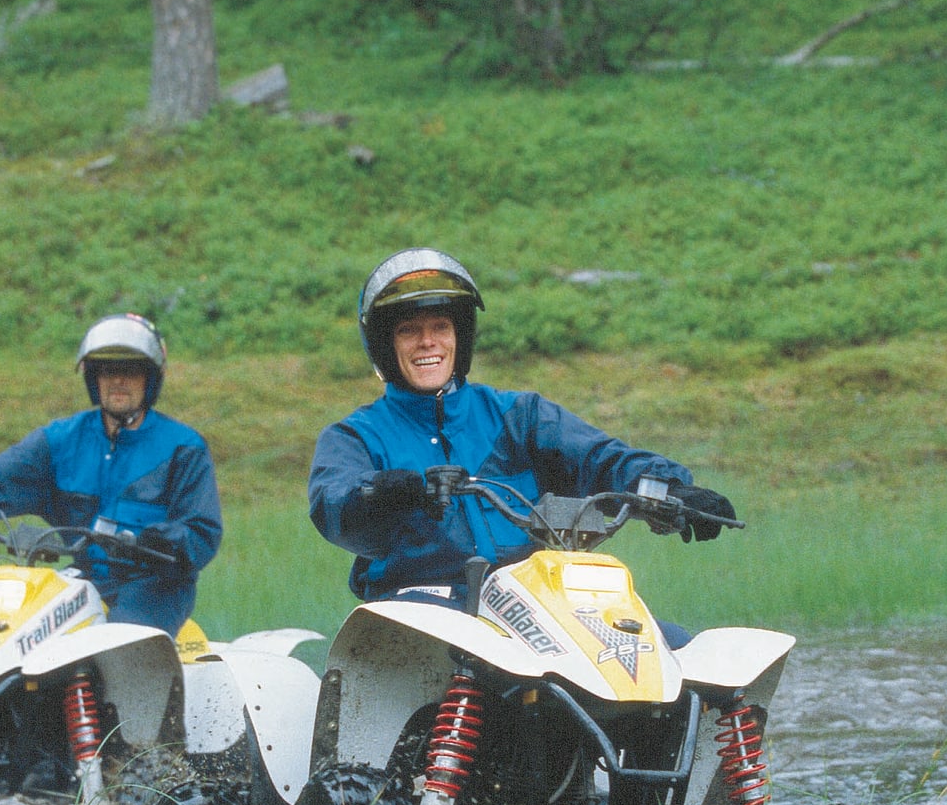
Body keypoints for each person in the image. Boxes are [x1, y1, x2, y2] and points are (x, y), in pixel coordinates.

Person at [307, 248, 734, 645]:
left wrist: (670, 490)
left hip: (532, 603)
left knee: (672, 651)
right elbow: (333, 503)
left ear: (461, 336)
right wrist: (388, 491)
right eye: (409, 331)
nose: (428, 342)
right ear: (385, 346)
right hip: (418, 610)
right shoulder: (356, 436)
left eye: (441, 327)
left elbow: (602, 459)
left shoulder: (519, 415)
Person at [0, 313, 221, 636]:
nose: (118, 381)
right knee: (6, 630)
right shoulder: (61, 441)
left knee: (116, 644)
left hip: (154, 588)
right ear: (93, 377)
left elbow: (202, 531)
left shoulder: (183, 447)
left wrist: (165, 543)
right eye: (108, 370)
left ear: (150, 378)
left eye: (130, 370)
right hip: (84, 578)